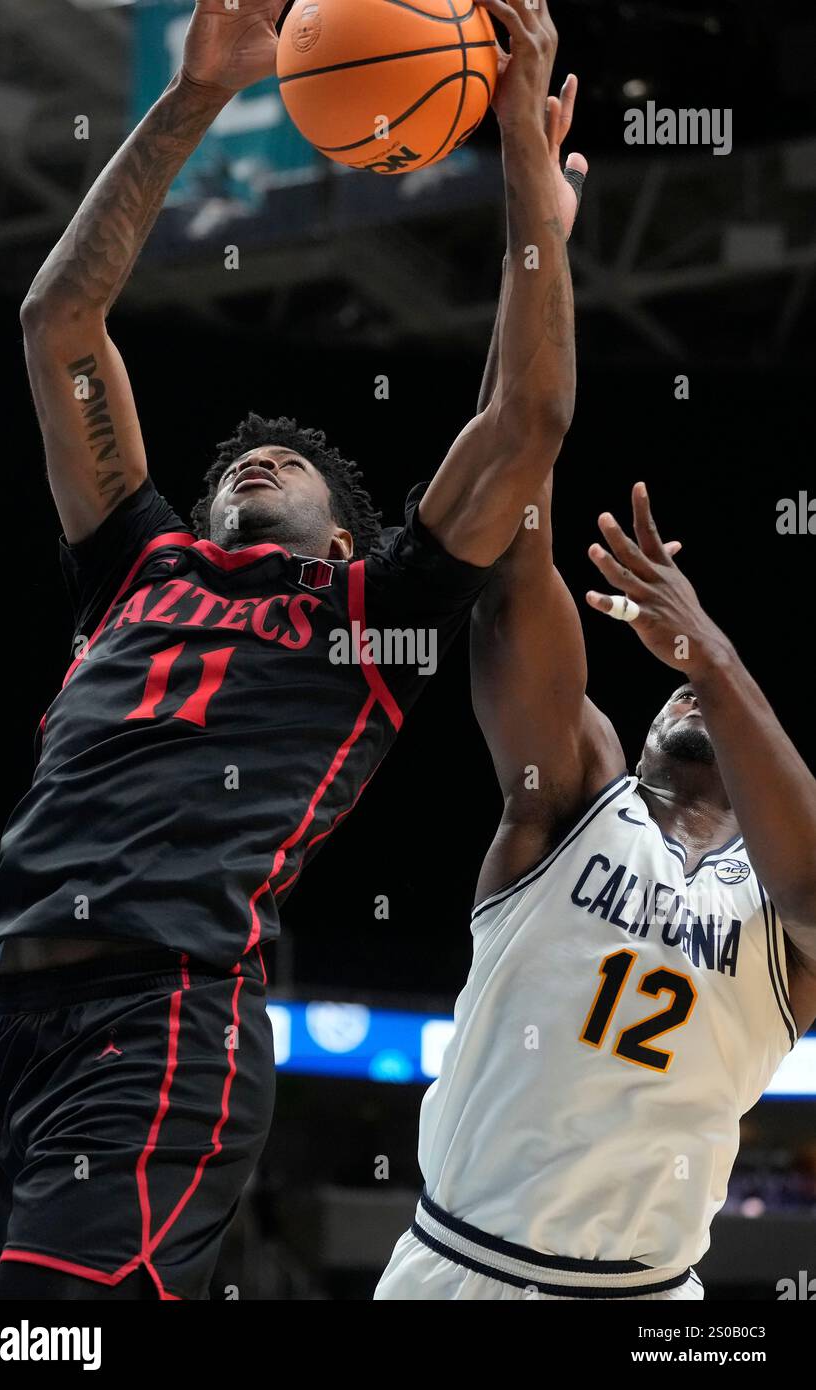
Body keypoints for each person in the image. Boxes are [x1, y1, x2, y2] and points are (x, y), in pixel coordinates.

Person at [0, 0, 571, 1300]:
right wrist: (194, 98)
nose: (257, 454)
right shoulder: (138, 564)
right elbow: (57, 324)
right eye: (240, 456)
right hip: (18, 1018)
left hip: (162, 1016)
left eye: (291, 463)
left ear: (348, 545)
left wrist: (520, 154)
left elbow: (525, 420)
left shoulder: (363, 621)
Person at [376, 57, 816, 1304]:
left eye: (707, 692)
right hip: (455, 1272)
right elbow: (505, 530)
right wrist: (537, 244)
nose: (682, 691)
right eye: (677, 689)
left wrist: (714, 656)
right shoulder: (569, 795)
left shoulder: (780, 916)